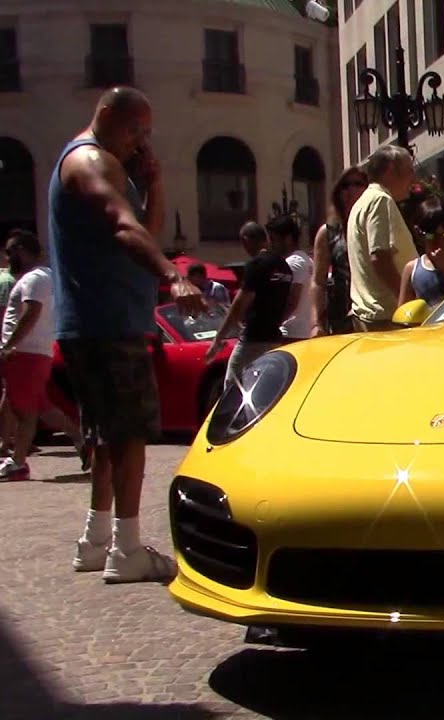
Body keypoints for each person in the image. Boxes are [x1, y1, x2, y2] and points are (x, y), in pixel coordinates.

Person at [48, 86, 204, 583]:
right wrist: (171, 274)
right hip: (108, 321)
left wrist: (154, 184)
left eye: (147, 134)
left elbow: (143, 225)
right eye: (136, 130)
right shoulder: (90, 162)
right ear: (108, 116)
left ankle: (97, 540)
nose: (141, 142)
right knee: (130, 435)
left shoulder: (109, 165)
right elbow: (122, 226)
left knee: (108, 436)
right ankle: (128, 548)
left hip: (97, 320)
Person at [0, 231, 87, 481]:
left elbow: (31, 312)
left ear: (22, 251)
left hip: (24, 353)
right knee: (38, 406)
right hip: (34, 352)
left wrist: (9, 345)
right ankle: (80, 438)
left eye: (10, 251)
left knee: (23, 412)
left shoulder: (34, 280)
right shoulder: (45, 278)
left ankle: (17, 464)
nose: (7, 258)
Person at [204, 222, 293, 388]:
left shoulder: (256, 265)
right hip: (274, 337)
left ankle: (235, 415)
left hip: (253, 338)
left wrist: (219, 338)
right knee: (265, 387)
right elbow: (290, 303)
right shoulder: (284, 267)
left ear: (246, 240)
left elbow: (241, 302)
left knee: (232, 385)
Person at [347, 146, 418, 332]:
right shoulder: (380, 200)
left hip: (370, 314)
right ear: (390, 170)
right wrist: (406, 300)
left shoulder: (362, 203)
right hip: (386, 317)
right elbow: (379, 257)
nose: (413, 177)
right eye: (410, 170)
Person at [311, 167, 368, 336]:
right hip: (341, 315)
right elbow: (318, 281)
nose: (351, 189)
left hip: (373, 311)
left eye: (358, 184)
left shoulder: (376, 226)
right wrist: (316, 323)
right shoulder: (328, 232)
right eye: (345, 185)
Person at [275, 215, 314, 340]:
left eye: (274, 239)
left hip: (292, 333)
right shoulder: (308, 261)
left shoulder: (292, 263)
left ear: (288, 239)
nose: (271, 244)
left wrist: (276, 323)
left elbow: (292, 300)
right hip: (306, 330)